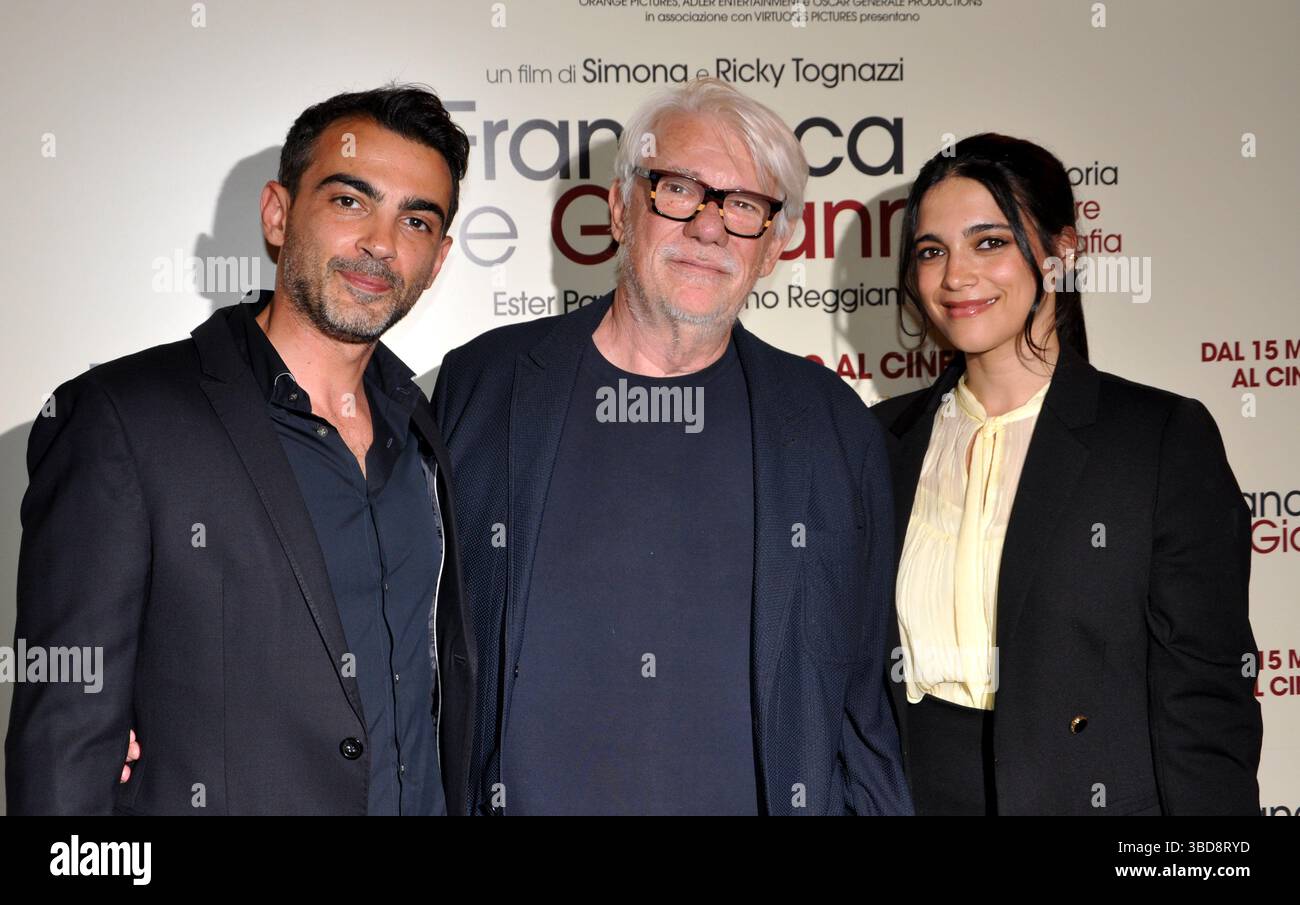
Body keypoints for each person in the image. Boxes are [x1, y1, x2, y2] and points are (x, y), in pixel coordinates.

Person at [433, 78, 911, 815]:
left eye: (744, 206)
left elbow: (859, 698)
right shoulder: (481, 386)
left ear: (776, 246)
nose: (710, 228)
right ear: (621, 209)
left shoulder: (833, 429)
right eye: (681, 190)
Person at [6, 84, 477, 815]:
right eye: (350, 201)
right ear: (279, 214)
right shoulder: (125, 419)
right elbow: (63, 746)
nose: (381, 244)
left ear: (438, 258)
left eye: (414, 220)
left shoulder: (421, 430)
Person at [870, 133, 1263, 815]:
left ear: (1062, 253)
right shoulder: (880, 440)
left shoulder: (1157, 439)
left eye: (989, 242)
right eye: (932, 251)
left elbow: (1204, 703)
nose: (956, 275)